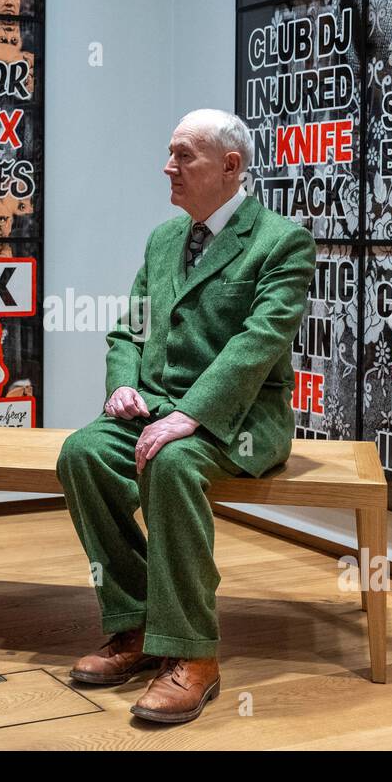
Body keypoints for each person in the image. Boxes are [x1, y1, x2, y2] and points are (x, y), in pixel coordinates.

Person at [56, 109, 318, 724]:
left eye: (183, 155)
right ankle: (137, 624)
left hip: (241, 420)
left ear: (231, 166)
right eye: (169, 153)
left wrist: (193, 415)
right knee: (83, 453)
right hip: (156, 409)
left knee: (171, 462)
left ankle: (194, 655)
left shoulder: (282, 241)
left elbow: (258, 343)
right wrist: (122, 386)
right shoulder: (164, 239)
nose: (167, 167)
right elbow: (129, 329)